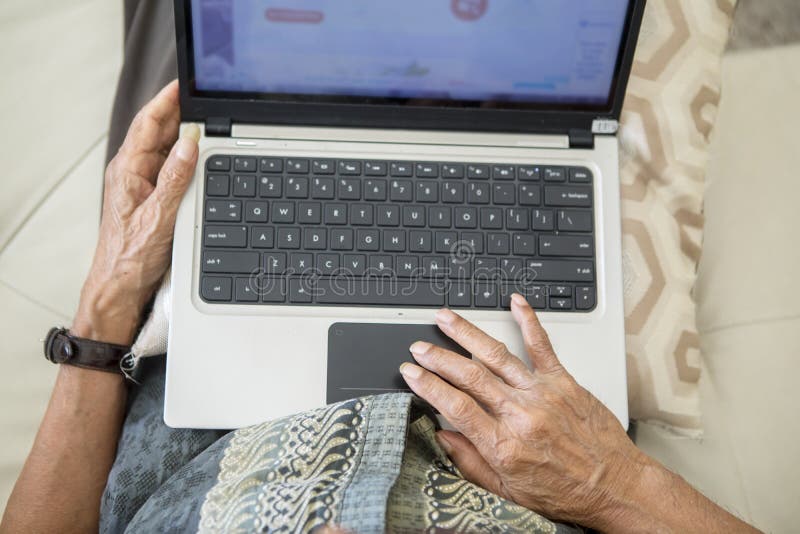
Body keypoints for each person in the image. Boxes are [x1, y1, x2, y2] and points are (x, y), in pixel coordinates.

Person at [0, 81, 760, 533]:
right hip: (538, 457)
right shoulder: (582, 470)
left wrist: (108, 300)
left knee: (193, 102)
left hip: (200, 424)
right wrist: (611, 483)